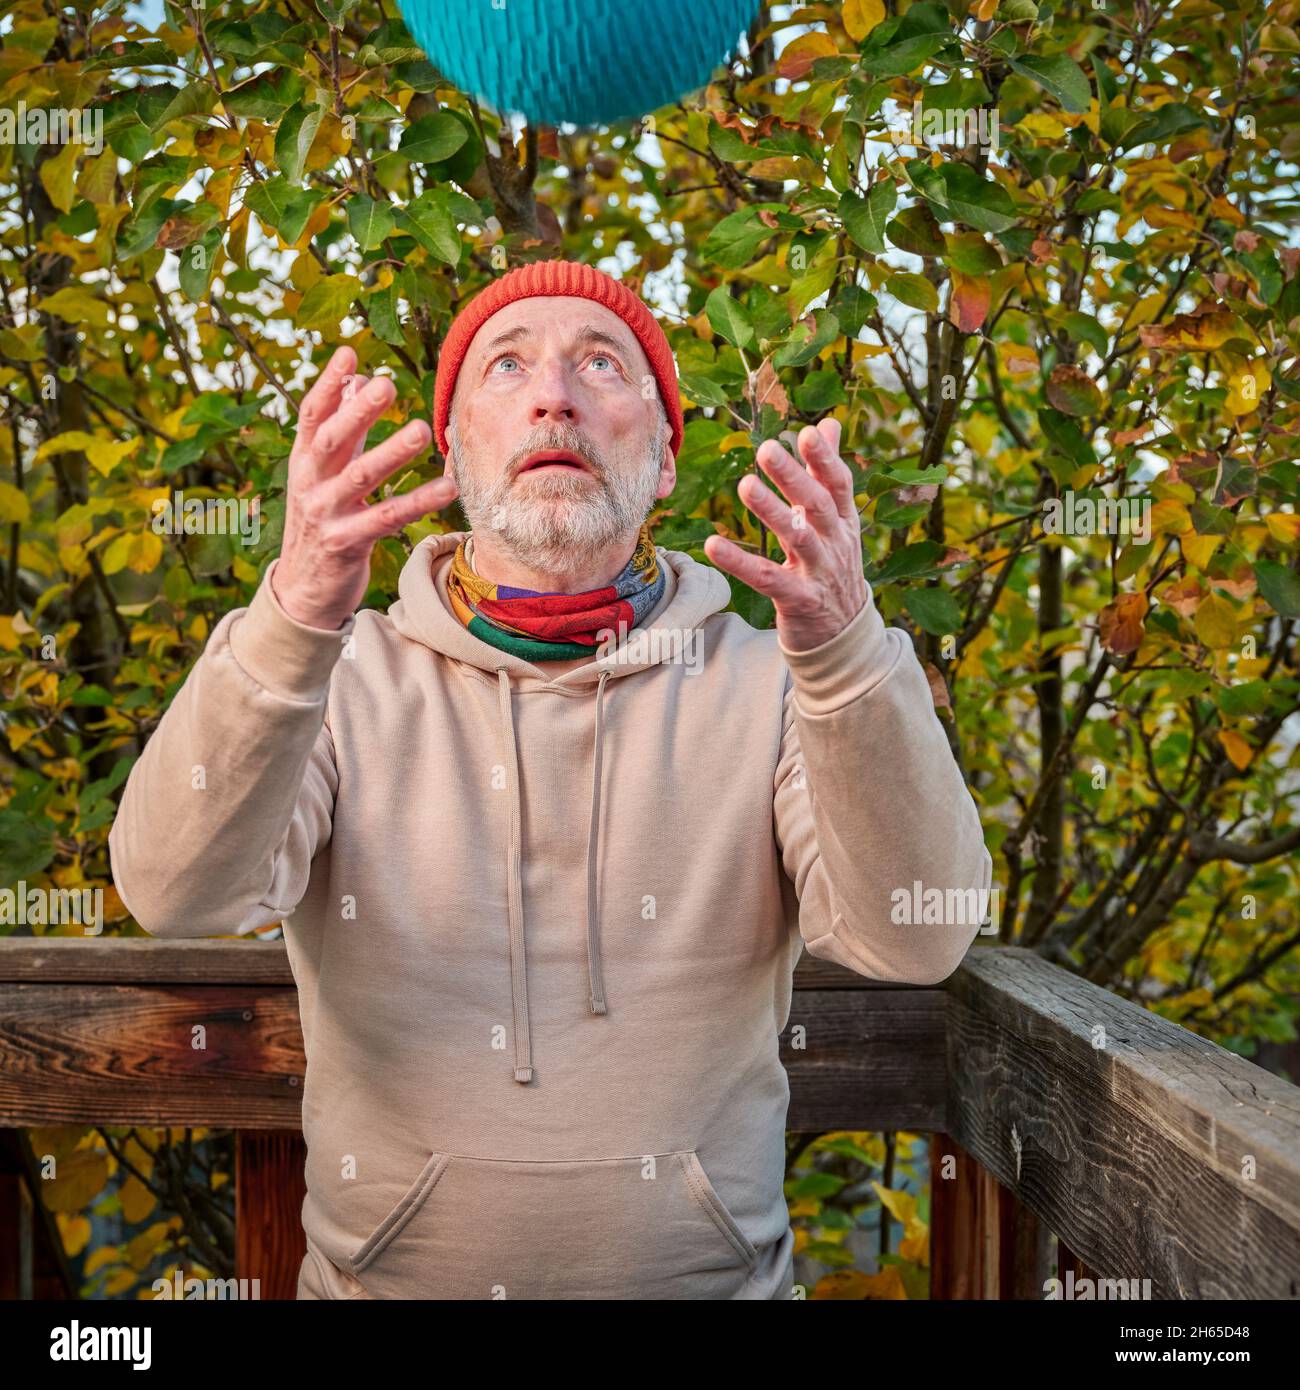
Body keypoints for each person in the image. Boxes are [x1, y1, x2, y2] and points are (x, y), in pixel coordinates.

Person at [108, 259, 992, 1300]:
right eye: (508, 364)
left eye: (602, 364)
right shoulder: (336, 674)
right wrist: (293, 613)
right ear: (452, 449)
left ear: (664, 460)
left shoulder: (770, 682)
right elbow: (176, 891)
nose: (553, 393)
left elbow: (917, 932)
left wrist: (846, 653)